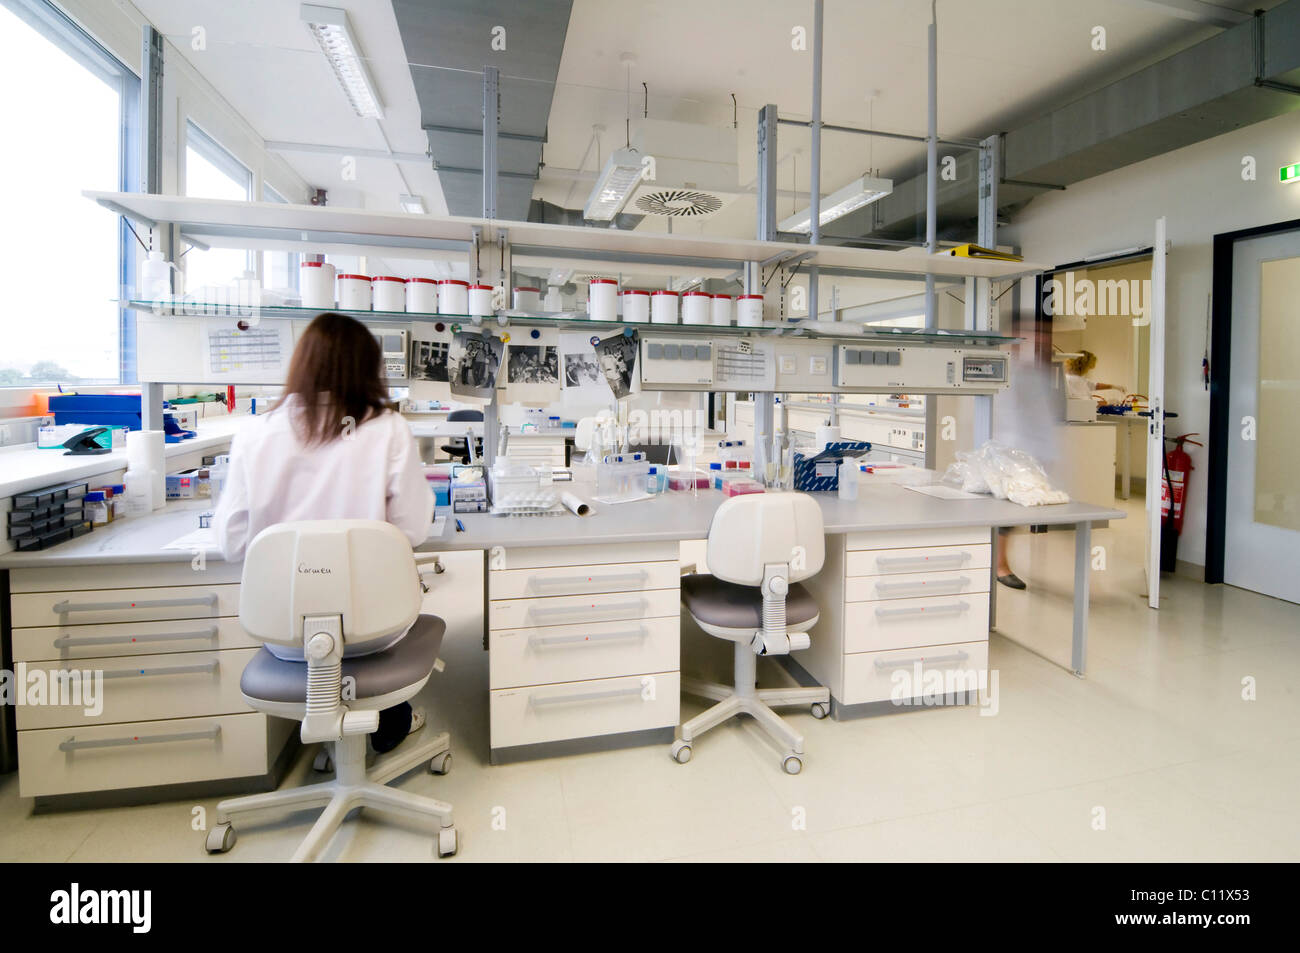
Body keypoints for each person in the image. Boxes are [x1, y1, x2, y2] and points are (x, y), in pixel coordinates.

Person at [213, 312, 434, 754]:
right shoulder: (388, 428)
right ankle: (387, 716)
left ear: (301, 363)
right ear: (368, 367)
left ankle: (344, 733)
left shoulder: (255, 433)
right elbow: (413, 528)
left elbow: (232, 544)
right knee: (384, 616)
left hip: (284, 635)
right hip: (376, 628)